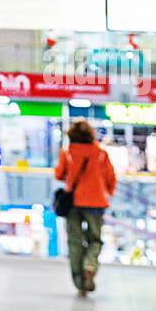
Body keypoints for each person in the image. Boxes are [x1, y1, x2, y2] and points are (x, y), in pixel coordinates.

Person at [54, 120, 117, 296]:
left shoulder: (67, 153)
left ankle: (80, 283)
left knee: (75, 242)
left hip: (73, 202)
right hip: (96, 202)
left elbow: (59, 174)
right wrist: (108, 192)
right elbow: (111, 178)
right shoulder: (101, 154)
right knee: (95, 240)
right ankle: (90, 265)